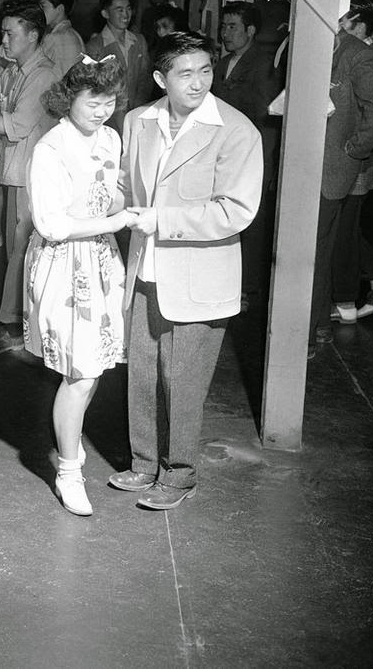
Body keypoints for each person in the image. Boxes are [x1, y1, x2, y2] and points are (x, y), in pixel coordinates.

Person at [110, 31, 263, 510]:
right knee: (142, 373)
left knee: (183, 380)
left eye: (205, 71)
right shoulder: (139, 120)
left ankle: (179, 473)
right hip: (145, 270)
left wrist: (163, 219)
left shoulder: (236, 130)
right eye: (184, 73)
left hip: (199, 279)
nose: (198, 83)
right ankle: (142, 463)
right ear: (160, 78)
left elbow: (236, 210)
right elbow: (122, 182)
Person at [24, 56, 131, 516]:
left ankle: (71, 447)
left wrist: (121, 203)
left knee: (91, 372)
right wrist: (116, 219)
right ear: (70, 98)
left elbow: (116, 188)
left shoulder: (110, 137)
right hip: (65, 264)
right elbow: (51, 223)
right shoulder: (50, 147)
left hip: (103, 259)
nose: (102, 110)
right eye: (93, 100)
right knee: (81, 372)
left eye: (109, 101)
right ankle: (68, 469)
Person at [309, 13, 373, 350]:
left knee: (318, 250)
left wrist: (353, 149)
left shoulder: (358, 55)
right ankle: (319, 325)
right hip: (306, 167)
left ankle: (315, 329)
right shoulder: (317, 46)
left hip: (332, 168)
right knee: (318, 250)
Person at [0, 0, 58, 354]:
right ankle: (21, 326)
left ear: (33, 35)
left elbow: (15, 124)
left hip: (33, 177)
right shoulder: (14, 71)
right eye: (3, 32)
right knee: (16, 251)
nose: (3, 39)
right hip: (15, 173)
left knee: (24, 251)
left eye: (10, 33)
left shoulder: (43, 74)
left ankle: (14, 328)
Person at [213, 1, 280, 305]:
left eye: (232, 27)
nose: (225, 32)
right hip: (225, 151)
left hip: (251, 151)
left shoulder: (263, 63)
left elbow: (262, 112)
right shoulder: (223, 62)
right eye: (224, 26)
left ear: (250, 31)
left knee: (251, 217)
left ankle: (248, 285)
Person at [85, 0, 154, 128]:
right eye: (119, 10)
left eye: (128, 9)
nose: (126, 15)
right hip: (108, 119)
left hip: (137, 114)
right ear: (105, 13)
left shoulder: (139, 41)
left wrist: (137, 107)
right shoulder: (95, 46)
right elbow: (93, 88)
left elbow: (145, 78)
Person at [36, 0, 85, 80]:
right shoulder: (75, 34)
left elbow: (36, 70)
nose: (39, 11)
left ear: (59, 9)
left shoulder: (54, 37)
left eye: (43, 6)